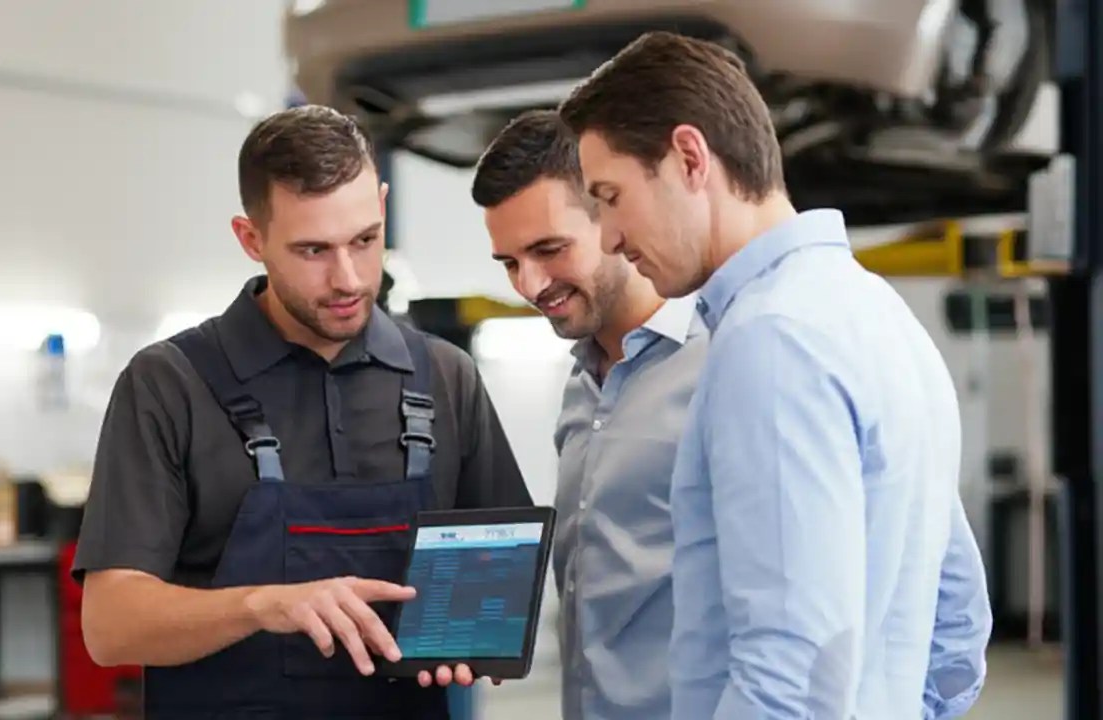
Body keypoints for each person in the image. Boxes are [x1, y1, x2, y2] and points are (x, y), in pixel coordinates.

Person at [558, 32, 993, 719]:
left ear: (689, 157)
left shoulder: (770, 341)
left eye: (610, 196)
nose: (608, 236)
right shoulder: (878, 312)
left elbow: (787, 674)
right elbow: (957, 630)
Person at [73, 104, 532, 719]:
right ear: (250, 238)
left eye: (365, 240)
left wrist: (475, 634)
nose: (348, 278)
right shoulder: (169, 386)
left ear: (383, 208)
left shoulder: (447, 378)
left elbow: (501, 574)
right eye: (313, 249)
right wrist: (262, 605)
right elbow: (110, 627)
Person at [466, 109, 708, 719]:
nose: (530, 284)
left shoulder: (724, 365)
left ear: (612, 216)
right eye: (509, 262)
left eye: (549, 249)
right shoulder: (582, 387)